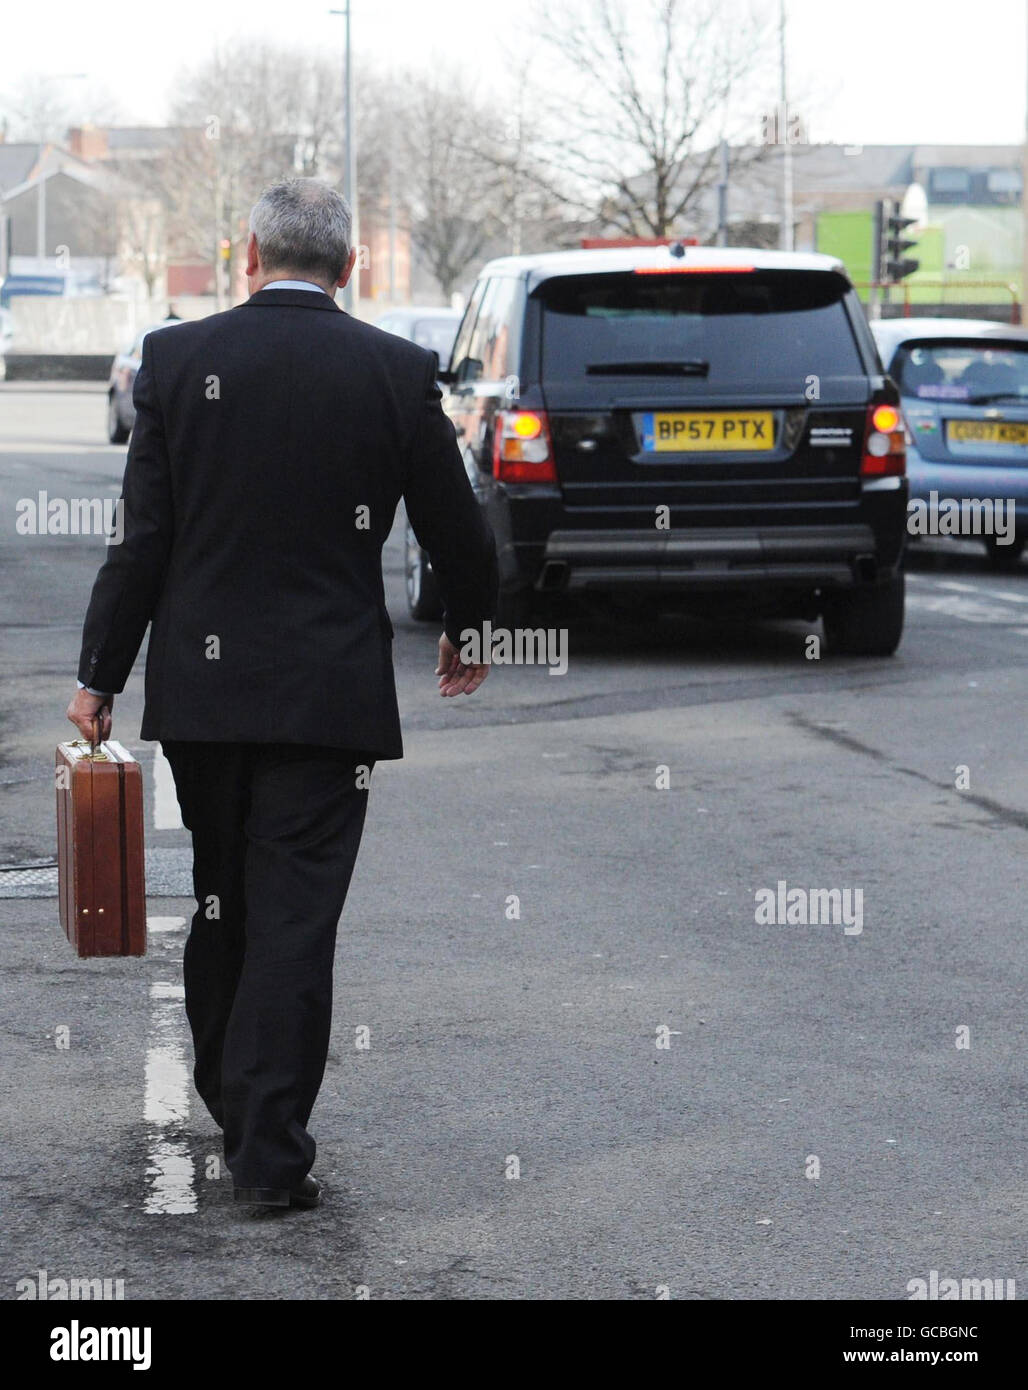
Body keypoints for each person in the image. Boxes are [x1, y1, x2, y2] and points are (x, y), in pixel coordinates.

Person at [67, 178, 497, 1210]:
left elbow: (145, 544)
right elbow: (460, 533)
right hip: (326, 702)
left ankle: (233, 1100)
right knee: (295, 921)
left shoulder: (177, 362)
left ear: (247, 255)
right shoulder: (394, 372)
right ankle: (267, 1154)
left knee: (224, 901)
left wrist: (97, 678)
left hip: (203, 701)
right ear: (347, 270)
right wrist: (471, 628)